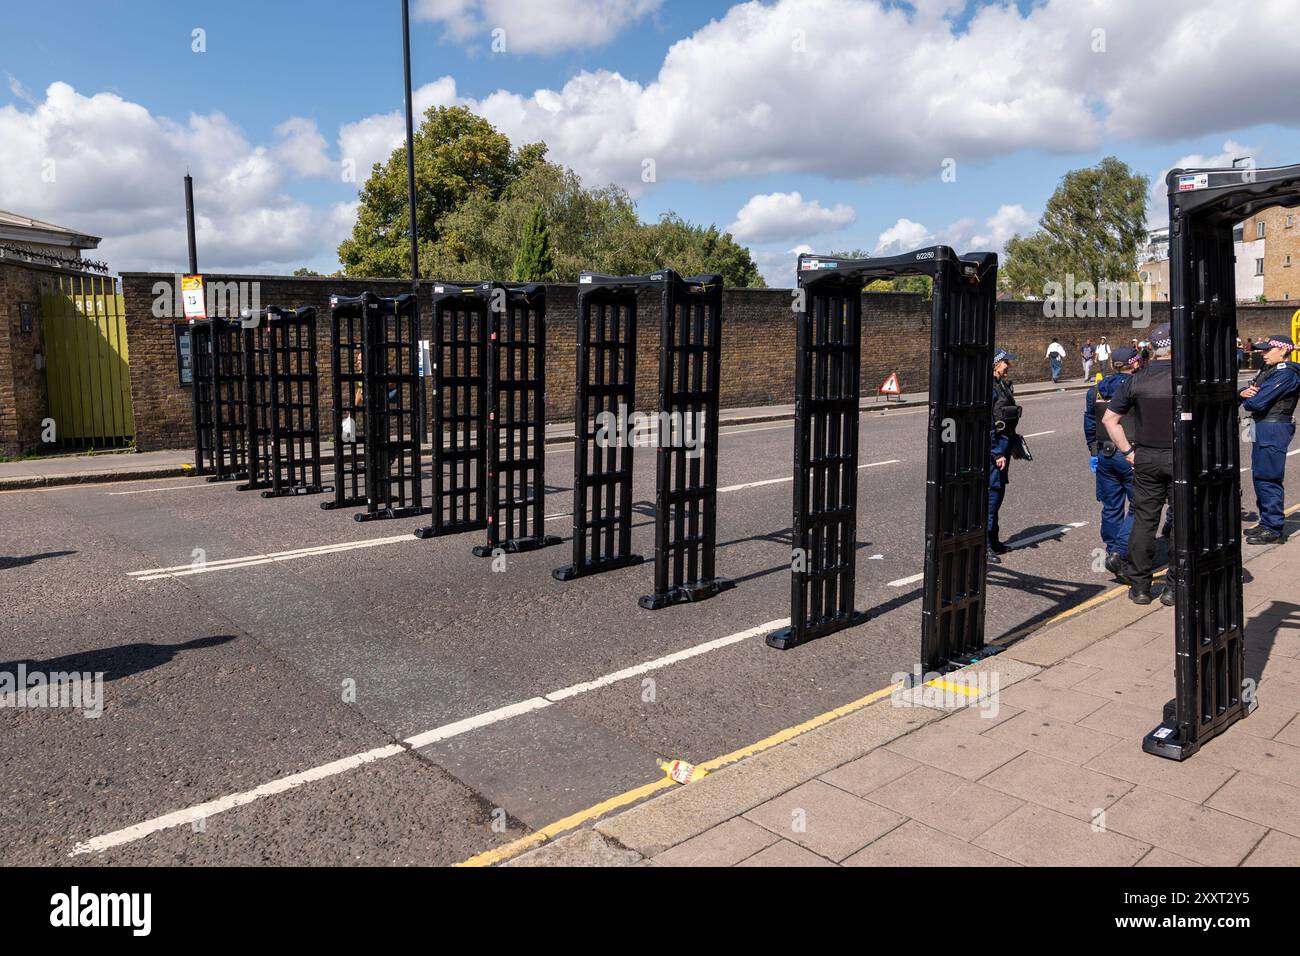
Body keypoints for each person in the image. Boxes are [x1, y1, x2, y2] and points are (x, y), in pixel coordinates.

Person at [1102, 323, 1175, 605]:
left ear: (1152, 348)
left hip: (1145, 457)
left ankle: (1141, 587)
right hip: (1179, 456)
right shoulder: (1184, 378)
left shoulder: (1136, 379)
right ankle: (1172, 588)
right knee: (1180, 521)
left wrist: (1129, 452)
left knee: (1144, 521)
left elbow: (1110, 419)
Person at [1084, 346, 1143, 575]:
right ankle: (1121, 552)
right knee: (1139, 505)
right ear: (1135, 363)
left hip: (1105, 453)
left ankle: (1111, 549)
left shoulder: (1096, 389)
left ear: (1111, 365)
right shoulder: (1137, 386)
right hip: (1130, 451)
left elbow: (1090, 422)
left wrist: (1093, 451)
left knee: (1111, 506)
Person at [1239, 335, 1299, 544]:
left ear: (1282, 351)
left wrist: (1249, 399)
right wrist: (1244, 394)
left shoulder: (1286, 373)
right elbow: (1248, 394)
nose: (1262, 353)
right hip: (1262, 425)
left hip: (1274, 427)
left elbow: (1257, 402)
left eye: (1267, 350)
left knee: (1269, 477)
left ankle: (1273, 528)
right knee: (1260, 475)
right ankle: (1266, 522)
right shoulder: (1268, 370)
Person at [988, 347, 1022, 563]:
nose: (1008, 366)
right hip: (996, 446)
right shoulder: (989, 388)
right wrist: (996, 451)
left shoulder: (1003, 385)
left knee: (999, 491)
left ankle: (994, 540)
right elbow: (988, 423)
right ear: (995, 364)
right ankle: (984, 544)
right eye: (1005, 362)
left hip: (1006, 442)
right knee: (992, 493)